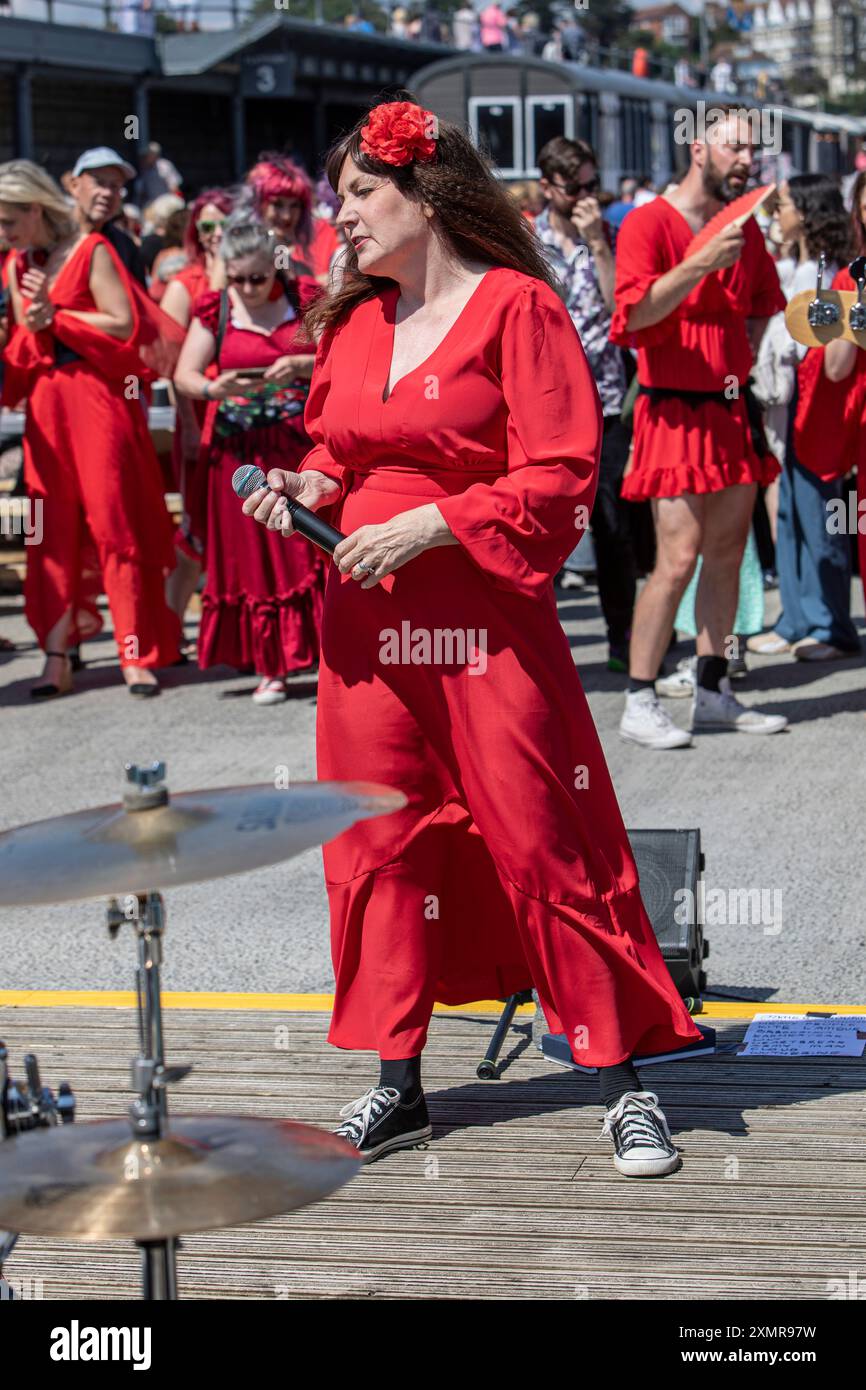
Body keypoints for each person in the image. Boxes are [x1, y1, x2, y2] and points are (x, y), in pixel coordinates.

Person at [242, 101, 702, 1175]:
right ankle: (396, 1085)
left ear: (427, 194)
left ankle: (617, 1075)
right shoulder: (355, 320)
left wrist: (436, 519)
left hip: (481, 620)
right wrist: (305, 486)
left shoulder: (516, 307)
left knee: (538, 834)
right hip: (363, 628)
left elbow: (560, 473)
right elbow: (334, 449)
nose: (339, 215)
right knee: (377, 845)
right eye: (339, 196)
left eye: (360, 193)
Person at [610, 109, 789, 748]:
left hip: (729, 409)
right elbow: (632, 317)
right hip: (671, 411)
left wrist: (737, 354)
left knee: (727, 557)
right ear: (697, 147)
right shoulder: (647, 222)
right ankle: (639, 697)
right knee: (676, 560)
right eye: (733, 145)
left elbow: (767, 305)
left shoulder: (748, 229)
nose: (746, 158)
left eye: (751, 149)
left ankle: (713, 689)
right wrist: (700, 262)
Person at [0, 159, 183, 698]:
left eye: (10, 221)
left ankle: (134, 652)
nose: (3, 234)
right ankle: (56, 656)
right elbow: (25, 351)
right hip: (47, 406)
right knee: (48, 528)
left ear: (36, 210)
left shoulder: (92, 250)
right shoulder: (15, 264)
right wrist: (32, 324)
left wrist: (54, 315)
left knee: (115, 520)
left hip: (99, 400)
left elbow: (123, 323)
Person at [173, 214, 325, 704]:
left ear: (275, 267)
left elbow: (345, 355)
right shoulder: (215, 309)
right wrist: (215, 387)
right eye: (237, 278)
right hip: (237, 457)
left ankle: (332, 654)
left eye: (257, 277)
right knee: (254, 561)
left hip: (297, 446)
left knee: (310, 548)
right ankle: (272, 666)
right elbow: (185, 376)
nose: (247, 288)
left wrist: (303, 364)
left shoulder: (305, 299)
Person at [535, 136, 636, 670]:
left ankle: (625, 639)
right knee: (540, 524)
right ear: (549, 187)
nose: (586, 197)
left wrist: (598, 243)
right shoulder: (524, 242)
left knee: (613, 524)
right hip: (544, 405)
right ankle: (540, 646)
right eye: (577, 187)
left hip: (606, 399)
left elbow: (624, 309)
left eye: (594, 186)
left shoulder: (610, 236)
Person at [161, 188, 234, 623]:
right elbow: (172, 367)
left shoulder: (252, 273)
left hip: (240, 417)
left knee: (233, 525)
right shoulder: (183, 284)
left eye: (223, 223)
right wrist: (188, 426)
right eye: (206, 226)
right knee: (195, 530)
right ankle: (169, 625)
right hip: (199, 414)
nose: (215, 234)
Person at [245, 154, 338, 287]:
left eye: (294, 205)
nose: (286, 216)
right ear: (260, 204)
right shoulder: (239, 249)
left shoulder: (317, 236)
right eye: (277, 205)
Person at [69, 146, 147, 287]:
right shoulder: (53, 237)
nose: (107, 193)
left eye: (115, 186)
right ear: (75, 186)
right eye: (99, 182)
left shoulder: (125, 247)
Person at [135, 142, 183, 207]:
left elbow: (174, 187)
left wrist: (178, 203)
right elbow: (142, 193)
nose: (148, 156)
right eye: (148, 154)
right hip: (151, 205)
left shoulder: (165, 165)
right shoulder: (144, 169)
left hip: (166, 204)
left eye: (152, 154)